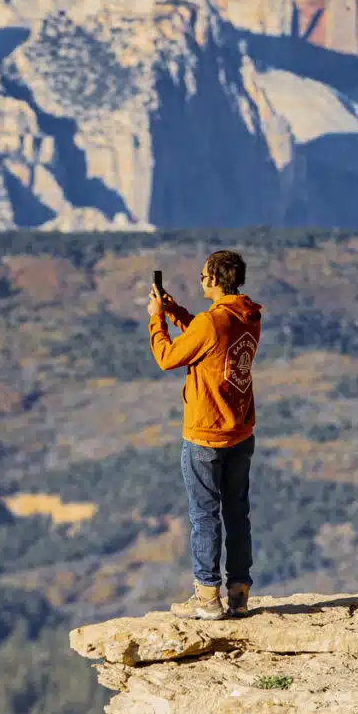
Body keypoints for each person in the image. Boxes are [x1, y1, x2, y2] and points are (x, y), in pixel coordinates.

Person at [148, 249, 262, 620]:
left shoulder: (212, 323)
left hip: (206, 433)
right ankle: (239, 594)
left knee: (204, 516)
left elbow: (167, 357)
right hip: (241, 431)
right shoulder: (248, 316)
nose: (201, 281)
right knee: (237, 513)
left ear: (214, 279)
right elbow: (208, 335)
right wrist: (175, 309)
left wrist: (156, 320)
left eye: (202, 276)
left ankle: (207, 597)